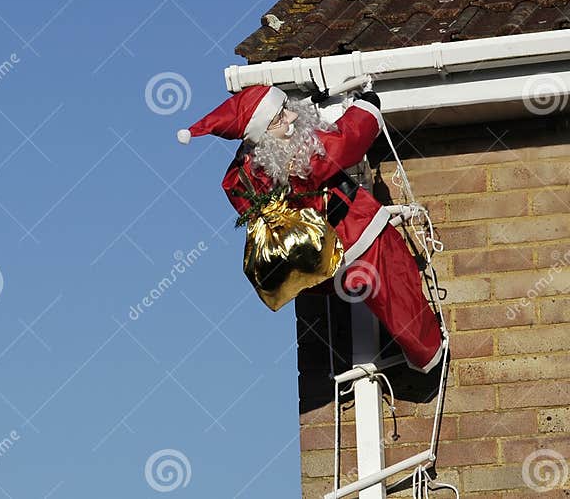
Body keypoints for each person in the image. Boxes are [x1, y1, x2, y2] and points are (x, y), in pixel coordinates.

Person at [177, 85, 445, 373]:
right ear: (264, 132)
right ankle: (427, 352)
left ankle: (417, 351)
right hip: (357, 235)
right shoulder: (296, 157)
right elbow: (345, 141)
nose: (291, 117)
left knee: (380, 296)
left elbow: (244, 189)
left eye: (286, 110)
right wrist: (367, 108)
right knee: (397, 289)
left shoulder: (246, 173)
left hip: (318, 265)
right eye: (280, 117)